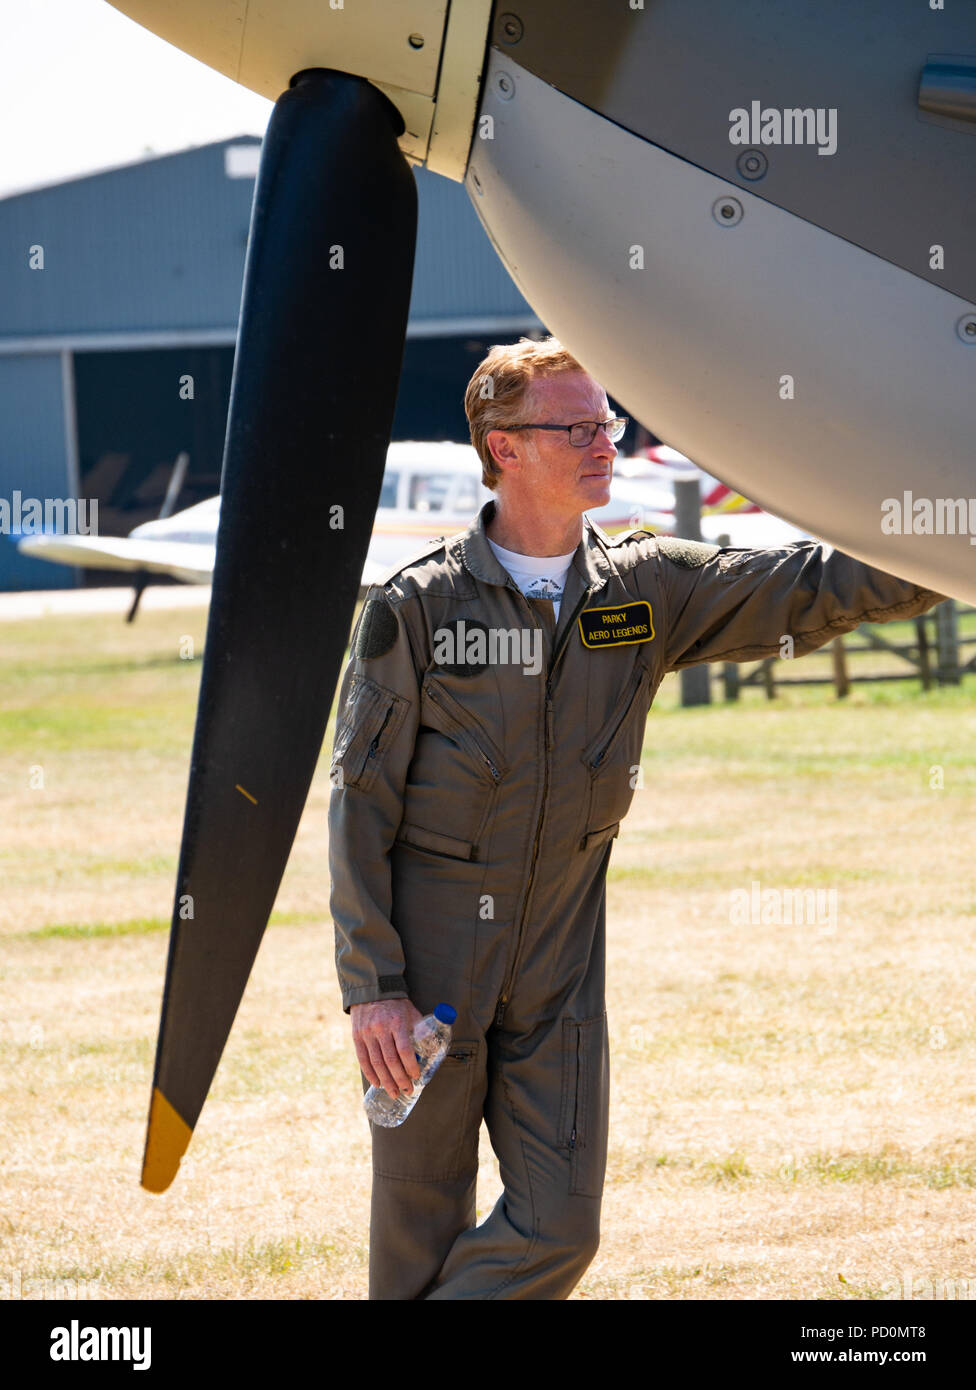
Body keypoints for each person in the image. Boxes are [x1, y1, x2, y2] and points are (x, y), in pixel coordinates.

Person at [327, 335, 945, 1300]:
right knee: (414, 1239)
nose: (603, 442)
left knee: (560, 1230)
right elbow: (359, 803)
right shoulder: (419, 607)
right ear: (504, 449)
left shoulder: (646, 588)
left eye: (606, 421)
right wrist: (373, 984)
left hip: (560, 979)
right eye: (574, 426)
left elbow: (812, 586)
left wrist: (947, 543)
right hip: (428, 981)